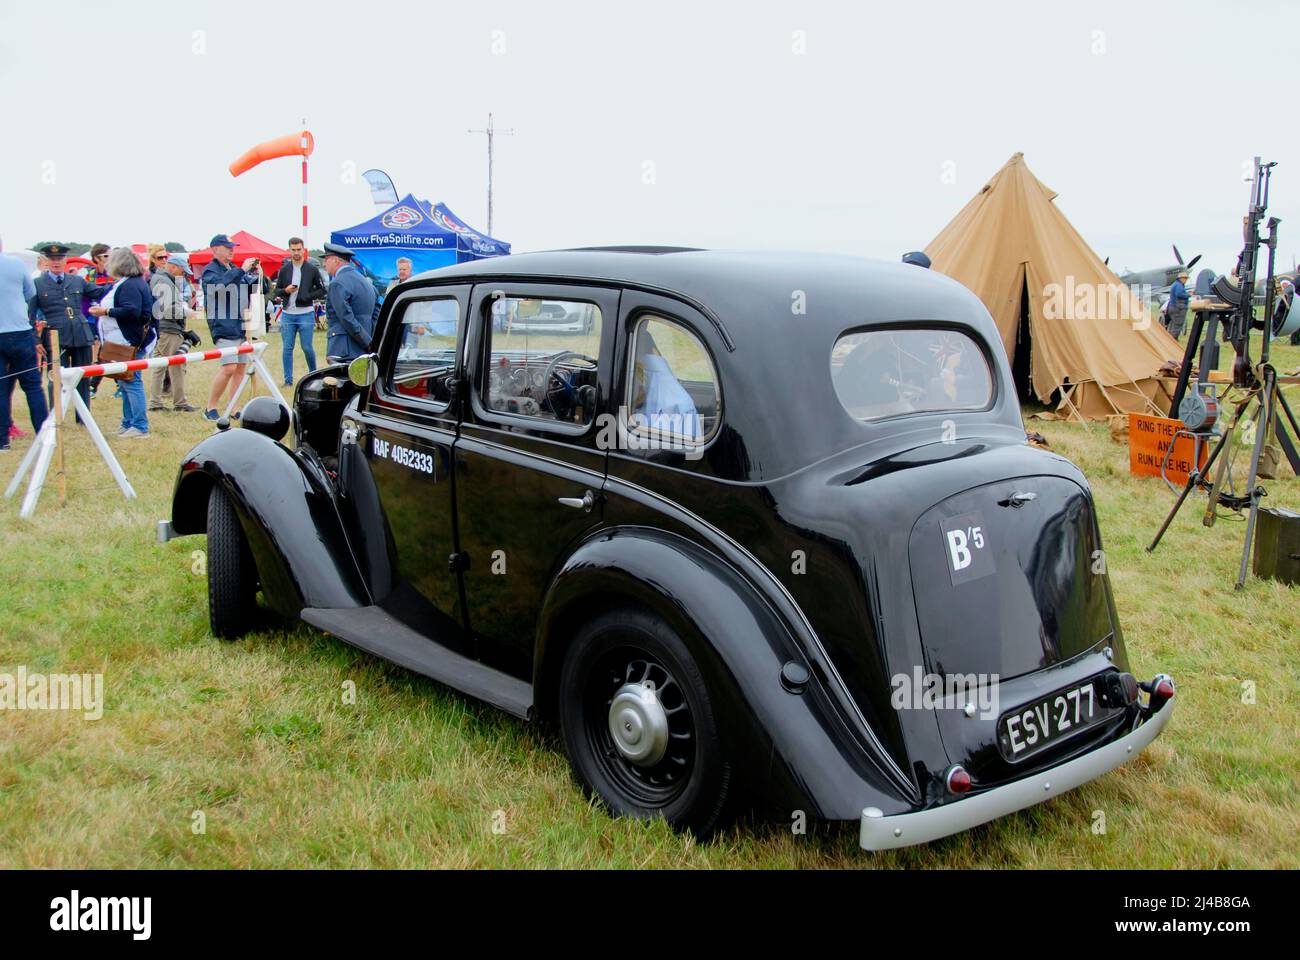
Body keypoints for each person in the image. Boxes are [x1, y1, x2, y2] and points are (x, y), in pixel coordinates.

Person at [27, 242, 107, 420]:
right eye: (52, 259)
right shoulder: (38, 284)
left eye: (60, 259)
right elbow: (30, 314)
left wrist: (119, 279)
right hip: (55, 336)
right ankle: (55, 418)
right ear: (46, 261)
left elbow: (100, 292)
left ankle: (83, 417)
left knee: (83, 377)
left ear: (65, 261)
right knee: (55, 378)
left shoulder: (77, 280)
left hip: (80, 333)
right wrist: (36, 340)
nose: (56, 262)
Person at [87, 247, 154, 438]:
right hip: (121, 340)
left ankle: (140, 425)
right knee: (125, 382)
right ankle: (128, 422)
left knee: (132, 382)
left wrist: (105, 312)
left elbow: (131, 311)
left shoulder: (131, 285)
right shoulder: (129, 283)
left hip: (128, 340)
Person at [200, 233, 259, 420]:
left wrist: (254, 276)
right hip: (223, 325)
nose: (231, 251)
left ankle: (234, 407)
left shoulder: (233, 268)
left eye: (232, 247)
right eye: (227, 248)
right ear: (215, 249)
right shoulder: (210, 270)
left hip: (239, 324)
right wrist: (241, 270)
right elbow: (218, 287)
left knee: (240, 367)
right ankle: (210, 407)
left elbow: (246, 288)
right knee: (229, 367)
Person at [0, 237, 48, 451]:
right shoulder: (17, 264)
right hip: (19, 332)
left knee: (1, 390)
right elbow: (30, 293)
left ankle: (3, 440)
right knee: (32, 387)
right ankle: (44, 435)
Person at [272, 236, 327, 386]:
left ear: (303, 250)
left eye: (299, 249)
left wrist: (307, 296)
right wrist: (285, 290)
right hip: (288, 314)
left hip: (306, 313)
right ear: (289, 250)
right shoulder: (284, 270)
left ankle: (314, 376)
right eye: (293, 250)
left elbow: (322, 289)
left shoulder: (312, 269)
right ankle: (288, 381)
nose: (296, 252)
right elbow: (276, 291)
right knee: (287, 348)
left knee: (307, 347)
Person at [148, 254, 197, 412]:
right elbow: (168, 309)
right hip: (169, 328)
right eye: (183, 271)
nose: (183, 275)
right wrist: (186, 313)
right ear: (174, 267)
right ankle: (180, 402)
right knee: (176, 366)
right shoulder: (164, 281)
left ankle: (156, 402)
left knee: (159, 366)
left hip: (165, 328)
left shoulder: (163, 279)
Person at [320, 243, 376, 362]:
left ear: (336, 261)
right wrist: (370, 340)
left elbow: (345, 317)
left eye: (326, 259)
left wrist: (366, 341)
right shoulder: (366, 282)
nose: (324, 264)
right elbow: (376, 313)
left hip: (344, 348)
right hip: (364, 347)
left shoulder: (338, 283)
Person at [1164, 270, 1191, 338]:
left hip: (1173, 307)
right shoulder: (1179, 285)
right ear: (1180, 278)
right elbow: (1179, 294)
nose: (1186, 280)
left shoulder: (1175, 284)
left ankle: (1168, 341)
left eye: (1186, 278)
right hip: (1178, 308)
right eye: (1185, 278)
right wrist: (1188, 295)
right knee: (1177, 326)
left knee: (1172, 326)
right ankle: (1173, 341)